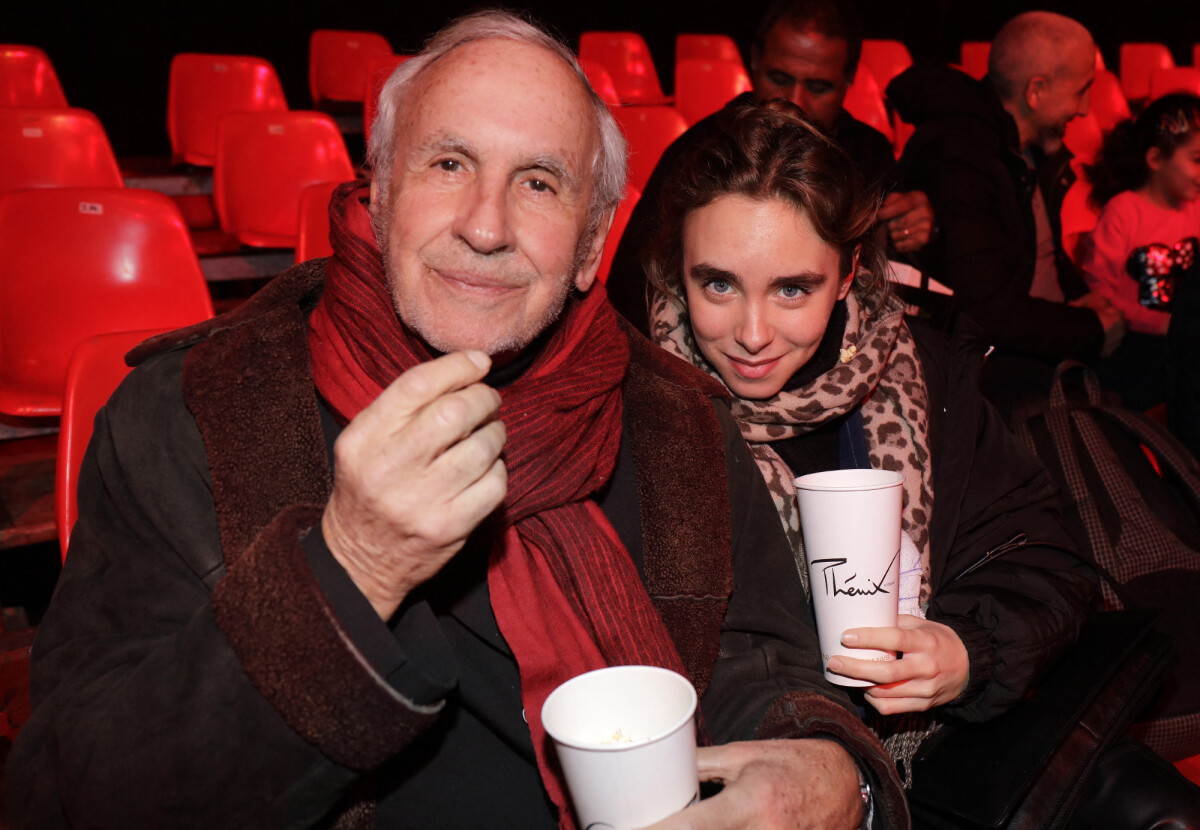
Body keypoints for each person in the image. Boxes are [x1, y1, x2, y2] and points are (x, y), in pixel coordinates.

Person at [6, 11, 909, 830]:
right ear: (379, 190)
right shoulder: (193, 415)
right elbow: (70, 796)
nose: (486, 226)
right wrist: (350, 568)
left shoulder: (677, 419)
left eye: (540, 183)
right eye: (449, 164)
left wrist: (835, 777)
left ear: (594, 246)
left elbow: (766, 669)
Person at [643, 96, 1200, 826]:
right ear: (676, 274)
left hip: (948, 760)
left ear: (845, 276)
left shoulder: (928, 378)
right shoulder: (642, 414)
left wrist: (969, 650)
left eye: (793, 289)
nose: (752, 333)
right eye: (718, 284)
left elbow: (1046, 562)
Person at [606, 0, 933, 335]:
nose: (795, 100)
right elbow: (633, 290)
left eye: (819, 87)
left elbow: (899, 288)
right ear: (754, 61)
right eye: (779, 78)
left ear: (849, 79)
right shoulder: (698, 150)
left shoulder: (869, 154)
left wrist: (921, 234)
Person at [888, 11, 1128, 422]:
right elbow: (985, 311)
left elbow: (1041, 254)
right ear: (1036, 90)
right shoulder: (957, 156)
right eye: (1082, 91)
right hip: (989, 374)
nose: (1087, 109)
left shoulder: (1030, 149)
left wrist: (1082, 300)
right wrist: (1089, 328)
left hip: (1036, 344)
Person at [1082, 93, 1200, 414]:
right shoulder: (1122, 212)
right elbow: (1100, 296)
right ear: (1155, 160)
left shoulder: (1195, 209)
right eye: (1197, 160)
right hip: (1136, 350)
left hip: (1184, 346)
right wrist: (1160, 324)